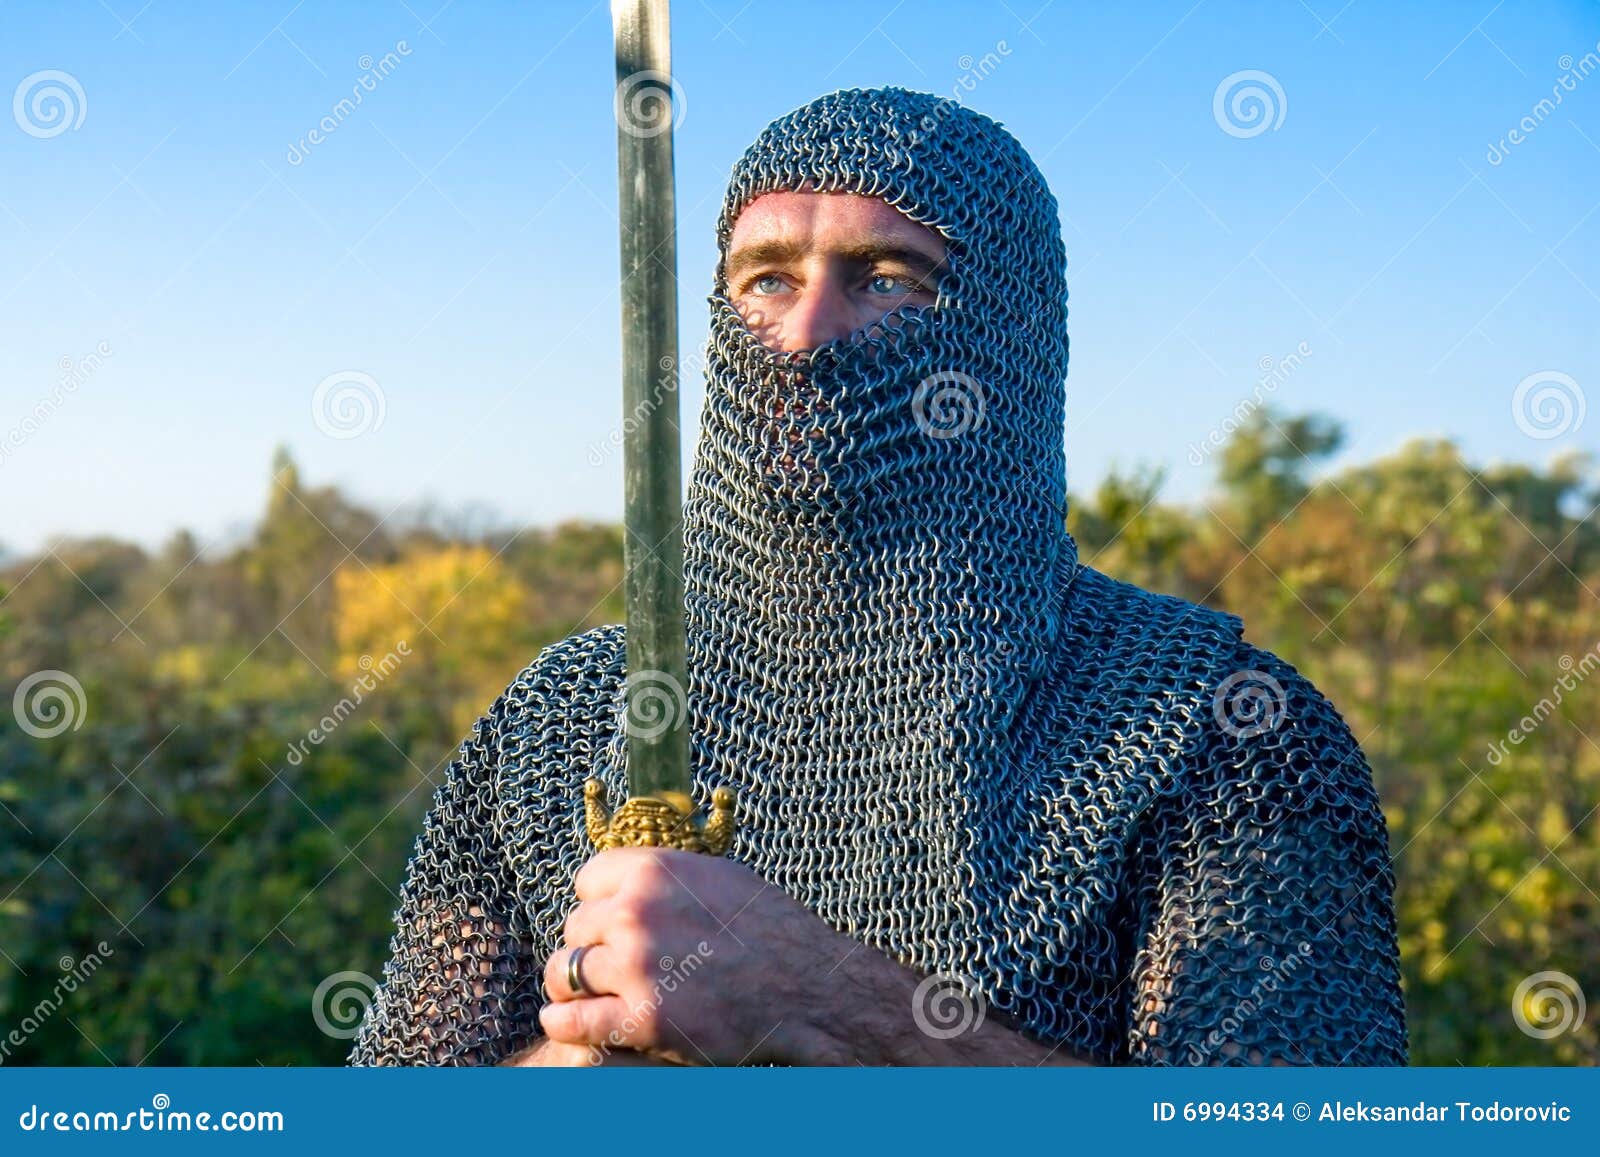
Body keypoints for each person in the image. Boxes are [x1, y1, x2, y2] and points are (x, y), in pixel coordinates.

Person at [347, 87, 1407, 1068]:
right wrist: (570, 1062)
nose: (805, 335)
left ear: (1006, 334)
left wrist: (825, 1001)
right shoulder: (556, 721)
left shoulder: (1213, 730)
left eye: (884, 279)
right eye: (767, 278)